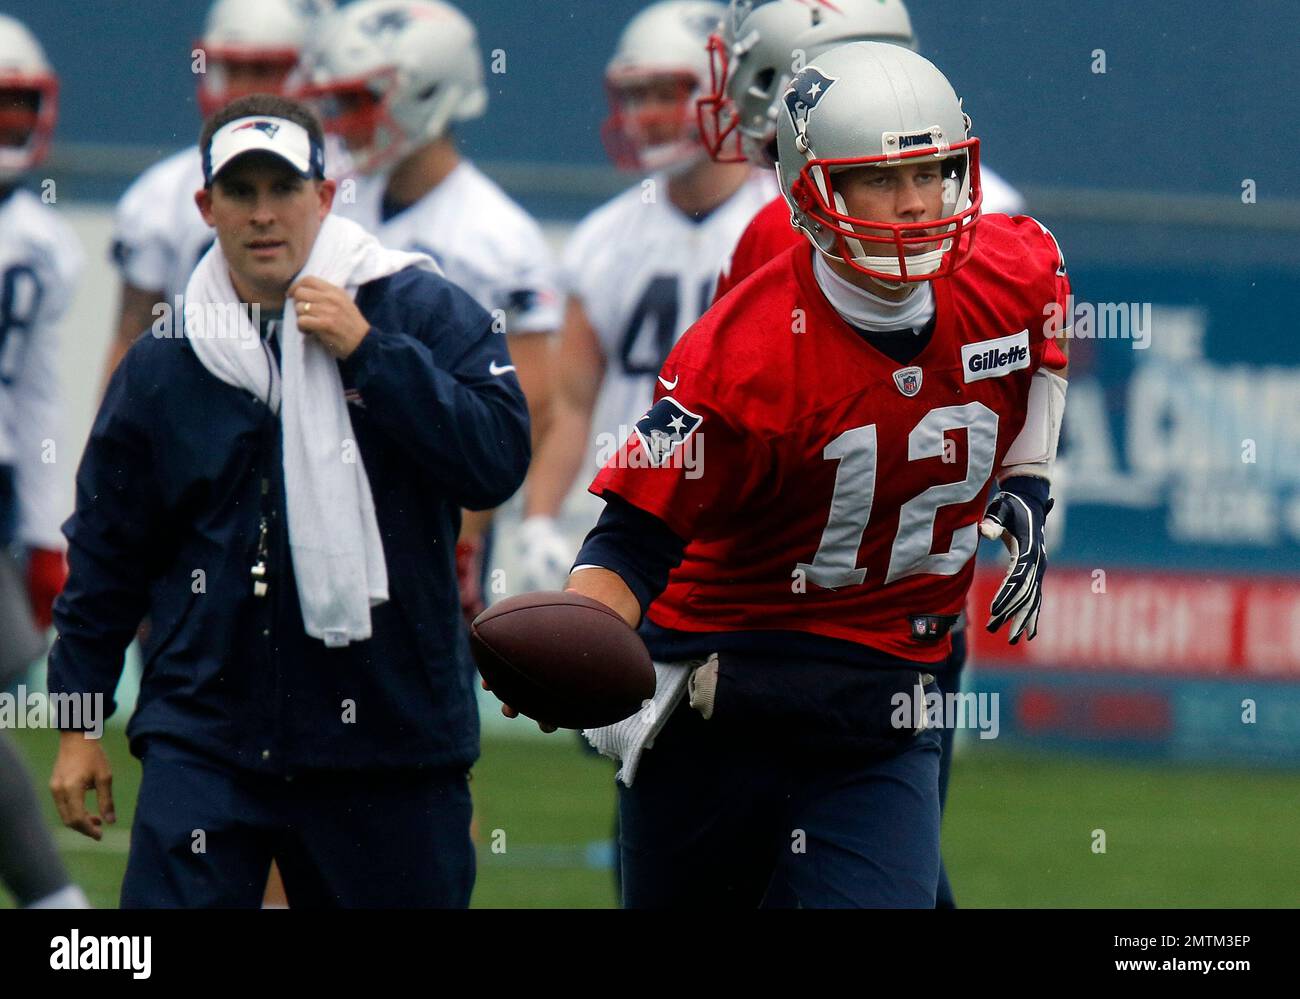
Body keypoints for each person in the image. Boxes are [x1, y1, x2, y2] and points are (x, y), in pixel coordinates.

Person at [501, 42, 1070, 908]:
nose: (915, 202)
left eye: (933, 170)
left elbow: (1047, 348)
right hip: (720, 694)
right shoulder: (747, 354)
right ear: (811, 189)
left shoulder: (1013, 269)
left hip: (884, 702)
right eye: (879, 180)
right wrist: (576, 640)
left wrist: (1027, 478)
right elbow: (632, 537)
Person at [47, 94, 530, 908]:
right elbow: (107, 548)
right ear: (207, 207)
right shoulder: (167, 356)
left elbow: (495, 459)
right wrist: (78, 722)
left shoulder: (412, 306)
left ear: (327, 195)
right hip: (207, 739)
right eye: (241, 192)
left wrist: (371, 355)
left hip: (390, 738)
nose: (264, 215)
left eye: (284, 189)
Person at [695, 0, 1034, 907]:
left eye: (766, 74)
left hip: (810, 606)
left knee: (821, 852)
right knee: (884, 851)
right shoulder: (993, 214)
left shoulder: (799, 224)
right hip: (912, 589)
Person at [297, 0, 562, 618]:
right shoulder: (331, 200)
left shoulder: (497, 236)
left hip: (437, 494)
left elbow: (529, 403)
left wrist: (470, 530)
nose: (345, 122)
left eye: (362, 99)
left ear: (427, 92)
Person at [517, 0, 773, 593]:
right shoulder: (603, 239)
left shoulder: (783, 223)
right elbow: (572, 405)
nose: (648, 115)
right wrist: (539, 520)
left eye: (668, 93)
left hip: (742, 522)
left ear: (724, 91)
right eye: (635, 96)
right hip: (627, 521)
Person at [701, 0, 1026, 303]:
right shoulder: (988, 200)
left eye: (753, 69)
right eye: (880, 180)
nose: (915, 205)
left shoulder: (775, 225)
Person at [102, 0, 337, 387]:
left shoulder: (348, 180)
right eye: (231, 69)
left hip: (319, 392)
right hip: (199, 403)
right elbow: (132, 335)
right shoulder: (160, 195)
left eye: (262, 70)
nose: (243, 88)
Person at [0, 11, 89, 910]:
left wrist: (40, 533)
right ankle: (54, 901)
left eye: (14, 107)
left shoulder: (41, 241)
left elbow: (35, 401)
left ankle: (53, 902)